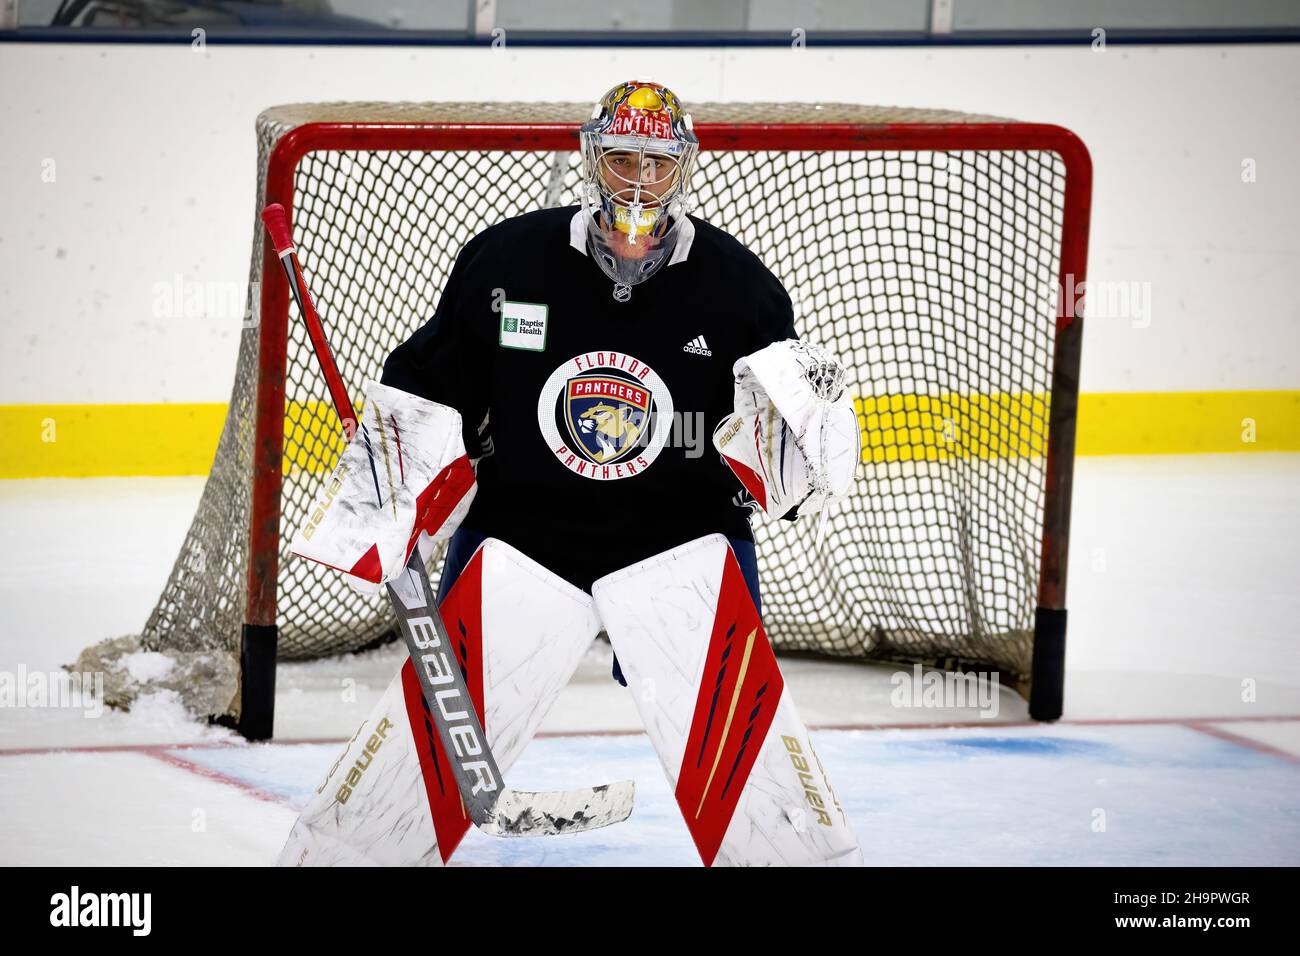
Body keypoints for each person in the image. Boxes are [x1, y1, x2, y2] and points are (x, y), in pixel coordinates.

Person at [282, 80, 863, 867]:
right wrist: (387, 477)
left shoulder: (743, 291)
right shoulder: (507, 260)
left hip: (682, 545)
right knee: (418, 771)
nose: (636, 181)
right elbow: (430, 380)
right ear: (592, 159)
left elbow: (773, 455)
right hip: (524, 538)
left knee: (754, 774)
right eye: (621, 158)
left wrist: (806, 452)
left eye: (656, 163)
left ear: (682, 169)